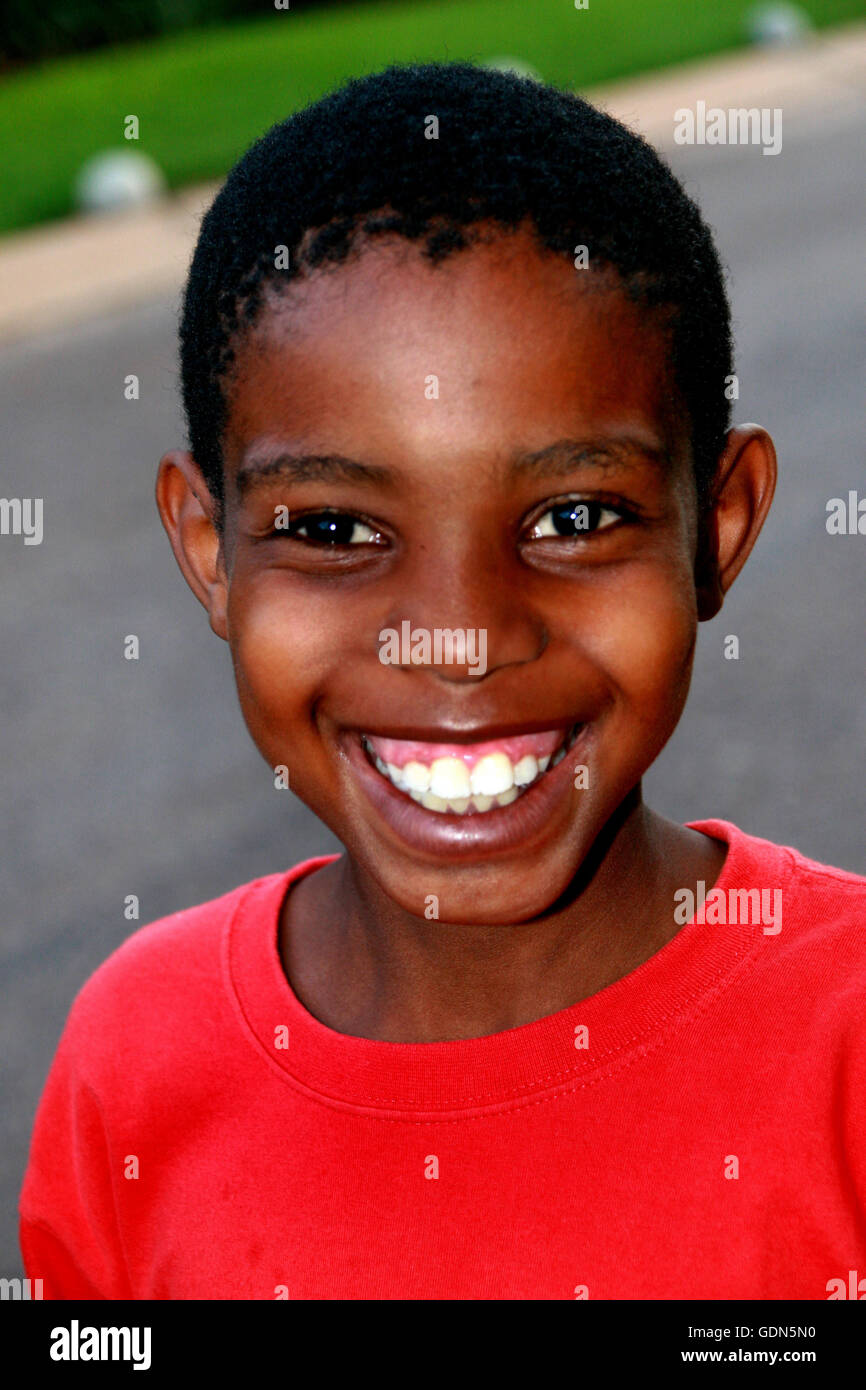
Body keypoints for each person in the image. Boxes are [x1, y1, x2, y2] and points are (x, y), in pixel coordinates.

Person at [19, 62, 866, 1300]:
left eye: (573, 514)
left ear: (716, 526)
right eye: (333, 531)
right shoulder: (134, 1057)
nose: (457, 640)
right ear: (210, 554)